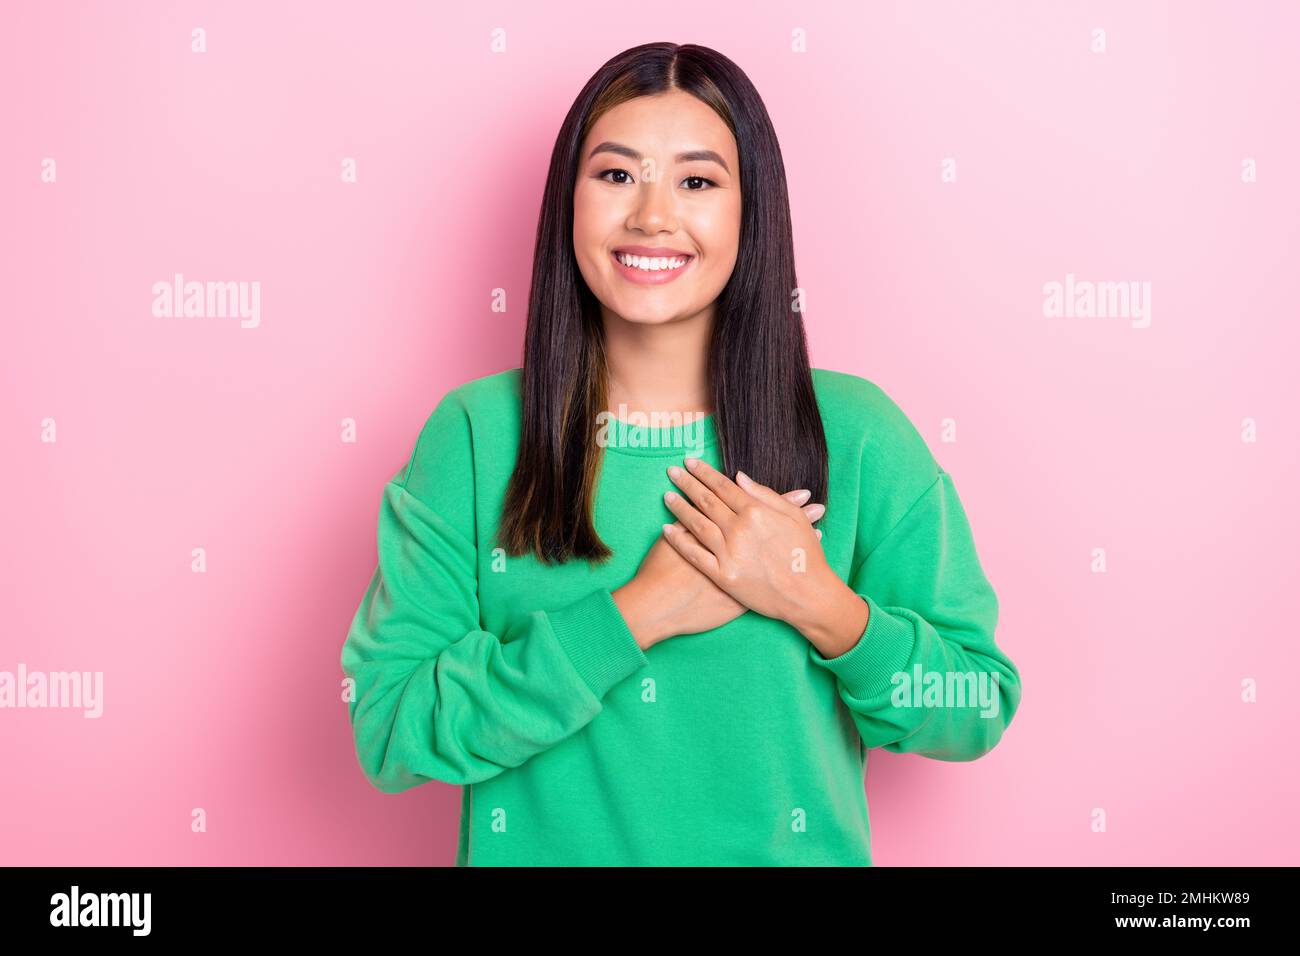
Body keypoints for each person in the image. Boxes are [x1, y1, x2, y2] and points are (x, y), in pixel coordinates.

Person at [340, 41, 1022, 866]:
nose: (652, 216)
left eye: (697, 181)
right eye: (616, 175)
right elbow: (390, 726)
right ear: (569, 202)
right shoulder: (480, 435)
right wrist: (634, 616)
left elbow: (973, 702)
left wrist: (816, 599)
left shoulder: (859, 432)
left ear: (750, 213)